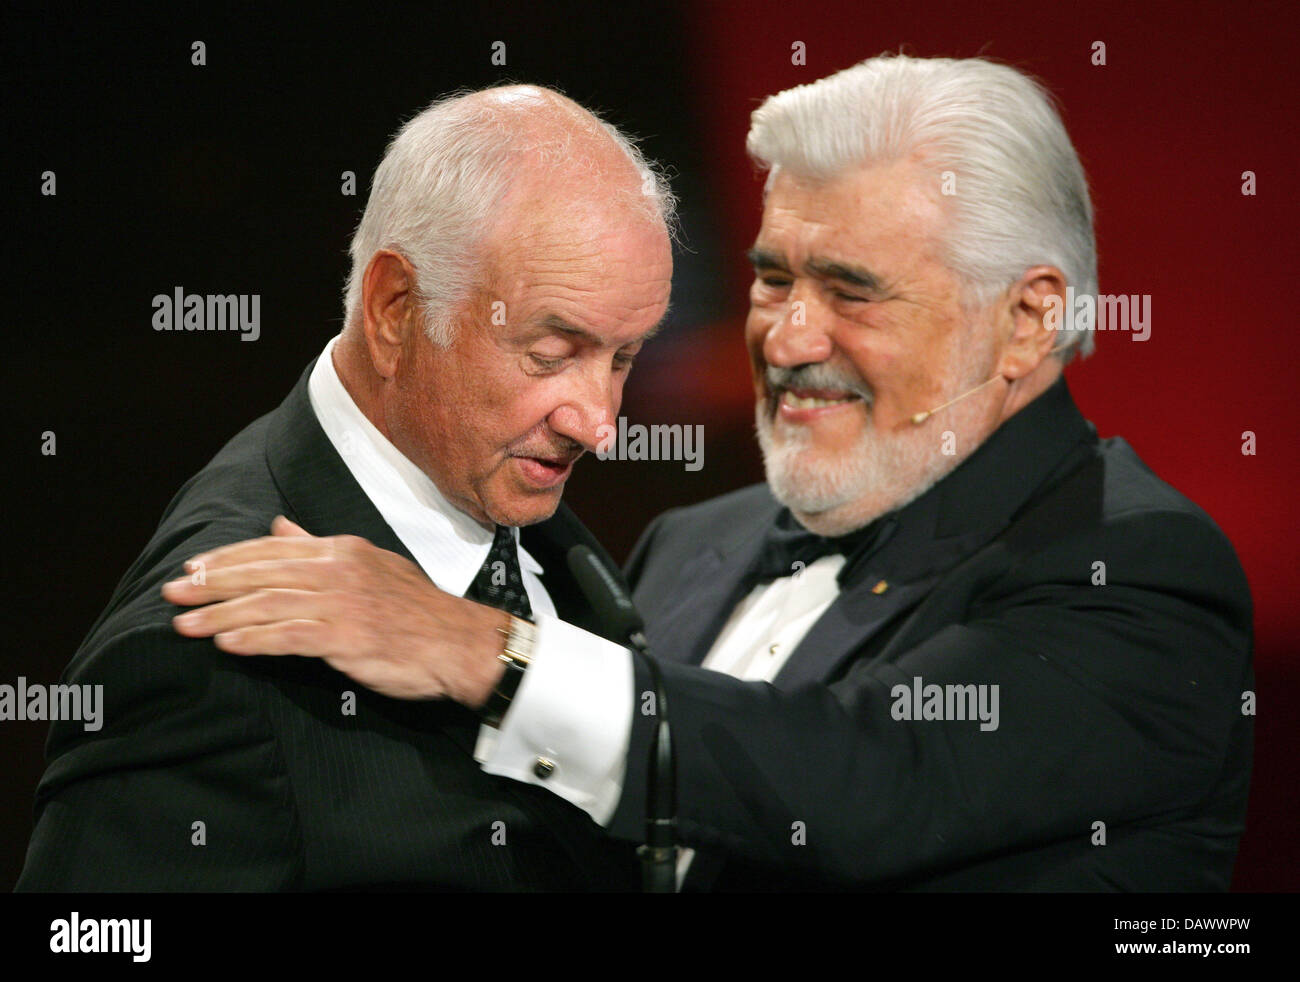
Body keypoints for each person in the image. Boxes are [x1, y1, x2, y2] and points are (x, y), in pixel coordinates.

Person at [153, 55, 1253, 891]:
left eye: (851, 290)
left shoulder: (1138, 571)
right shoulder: (693, 544)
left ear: (1027, 320)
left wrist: (481, 651)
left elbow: (865, 775)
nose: (783, 338)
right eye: (773, 278)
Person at [17, 85, 674, 890]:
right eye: (549, 354)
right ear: (396, 308)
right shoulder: (206, 653)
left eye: (624, 358)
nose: (598, 421)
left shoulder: (516, 505)